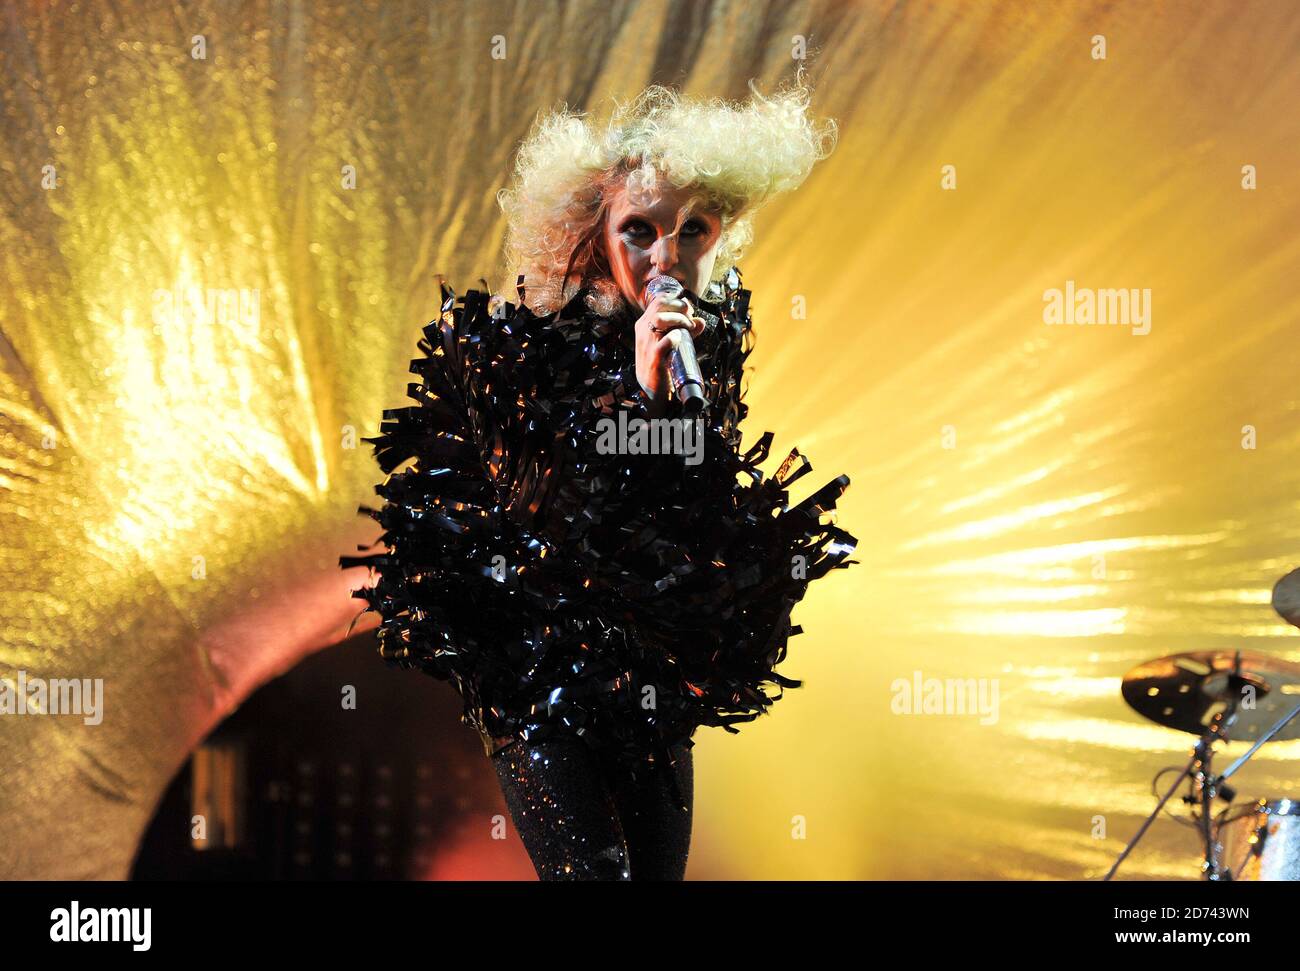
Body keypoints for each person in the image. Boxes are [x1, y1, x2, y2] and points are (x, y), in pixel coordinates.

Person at [340, 75, 858, 880]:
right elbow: (546, 507)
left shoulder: (705, 346)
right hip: (539, 678)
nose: (666, 255)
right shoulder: (515, 348)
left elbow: (699, 517)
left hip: (647, 679)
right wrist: (643, 398)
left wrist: (678, 404)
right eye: (640, 228)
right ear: (591, 232)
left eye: (694, 228)